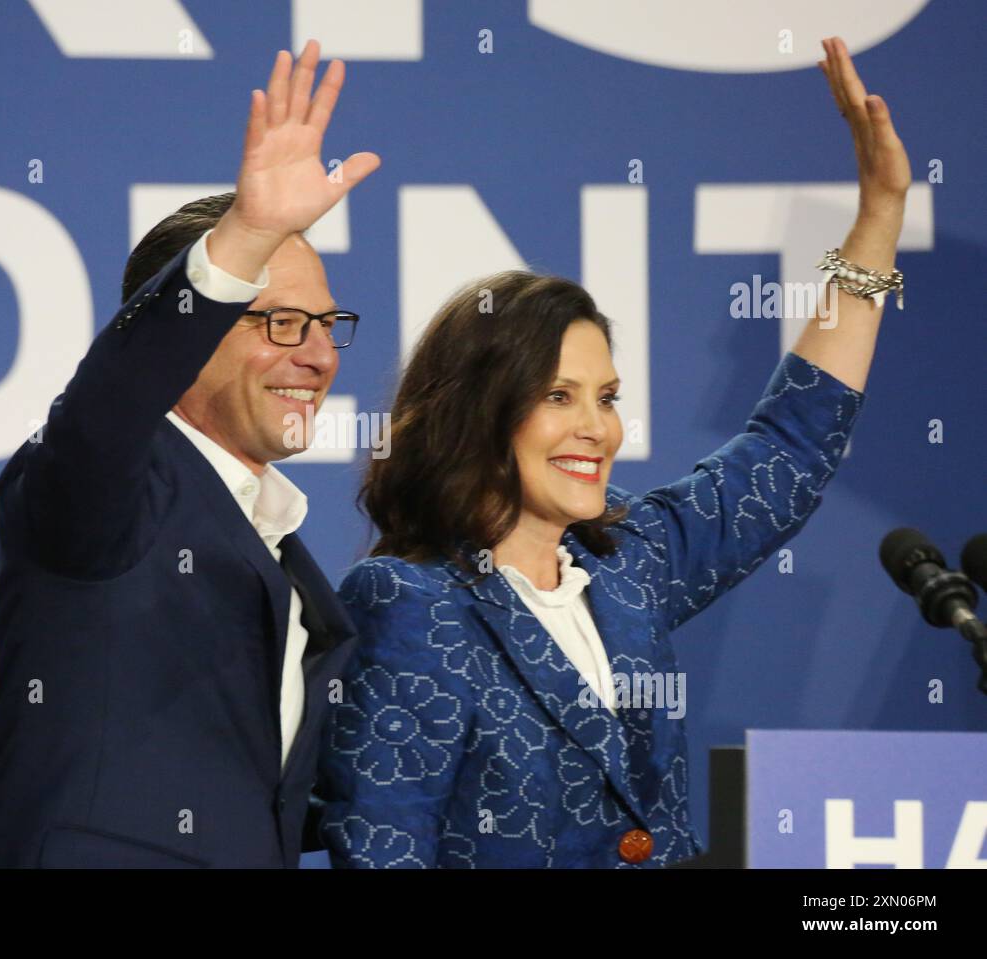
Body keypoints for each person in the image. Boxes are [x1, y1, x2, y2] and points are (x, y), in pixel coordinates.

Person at [317, 36, 909, 867]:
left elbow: (788, 449)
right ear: (478, 415)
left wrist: (880, 214)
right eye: (559, 396)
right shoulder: (408, 603)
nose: (597, 428)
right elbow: (384, 847)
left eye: (607, 396)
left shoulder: (629, 564)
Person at [0, 39, 381, 867]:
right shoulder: (104, 489)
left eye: (326, 325)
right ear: (188, 337)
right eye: (281, 323)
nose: (317, 356)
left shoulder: (282, 552)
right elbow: (110, 399)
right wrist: (245, 236)